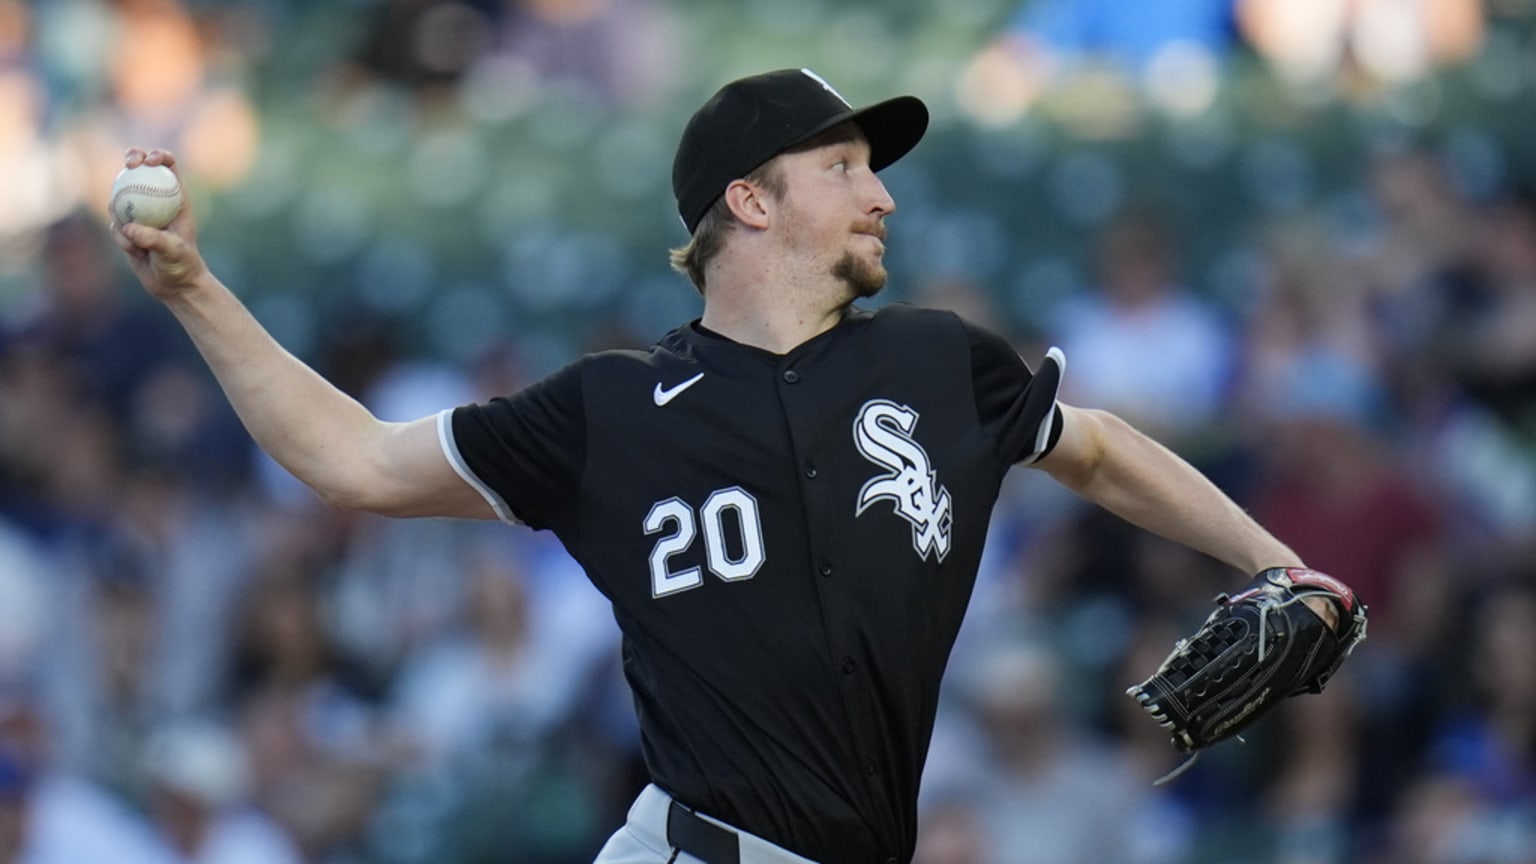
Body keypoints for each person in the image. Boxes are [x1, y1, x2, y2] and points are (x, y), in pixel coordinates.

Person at [113, 68, 1345, 864]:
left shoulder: (934, 363)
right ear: (750, 204)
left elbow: (1099, 451)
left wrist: (1276, 562)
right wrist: (196, 289)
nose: (883, 200)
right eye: (847, 169)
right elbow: (355, 463)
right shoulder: (612, 411)